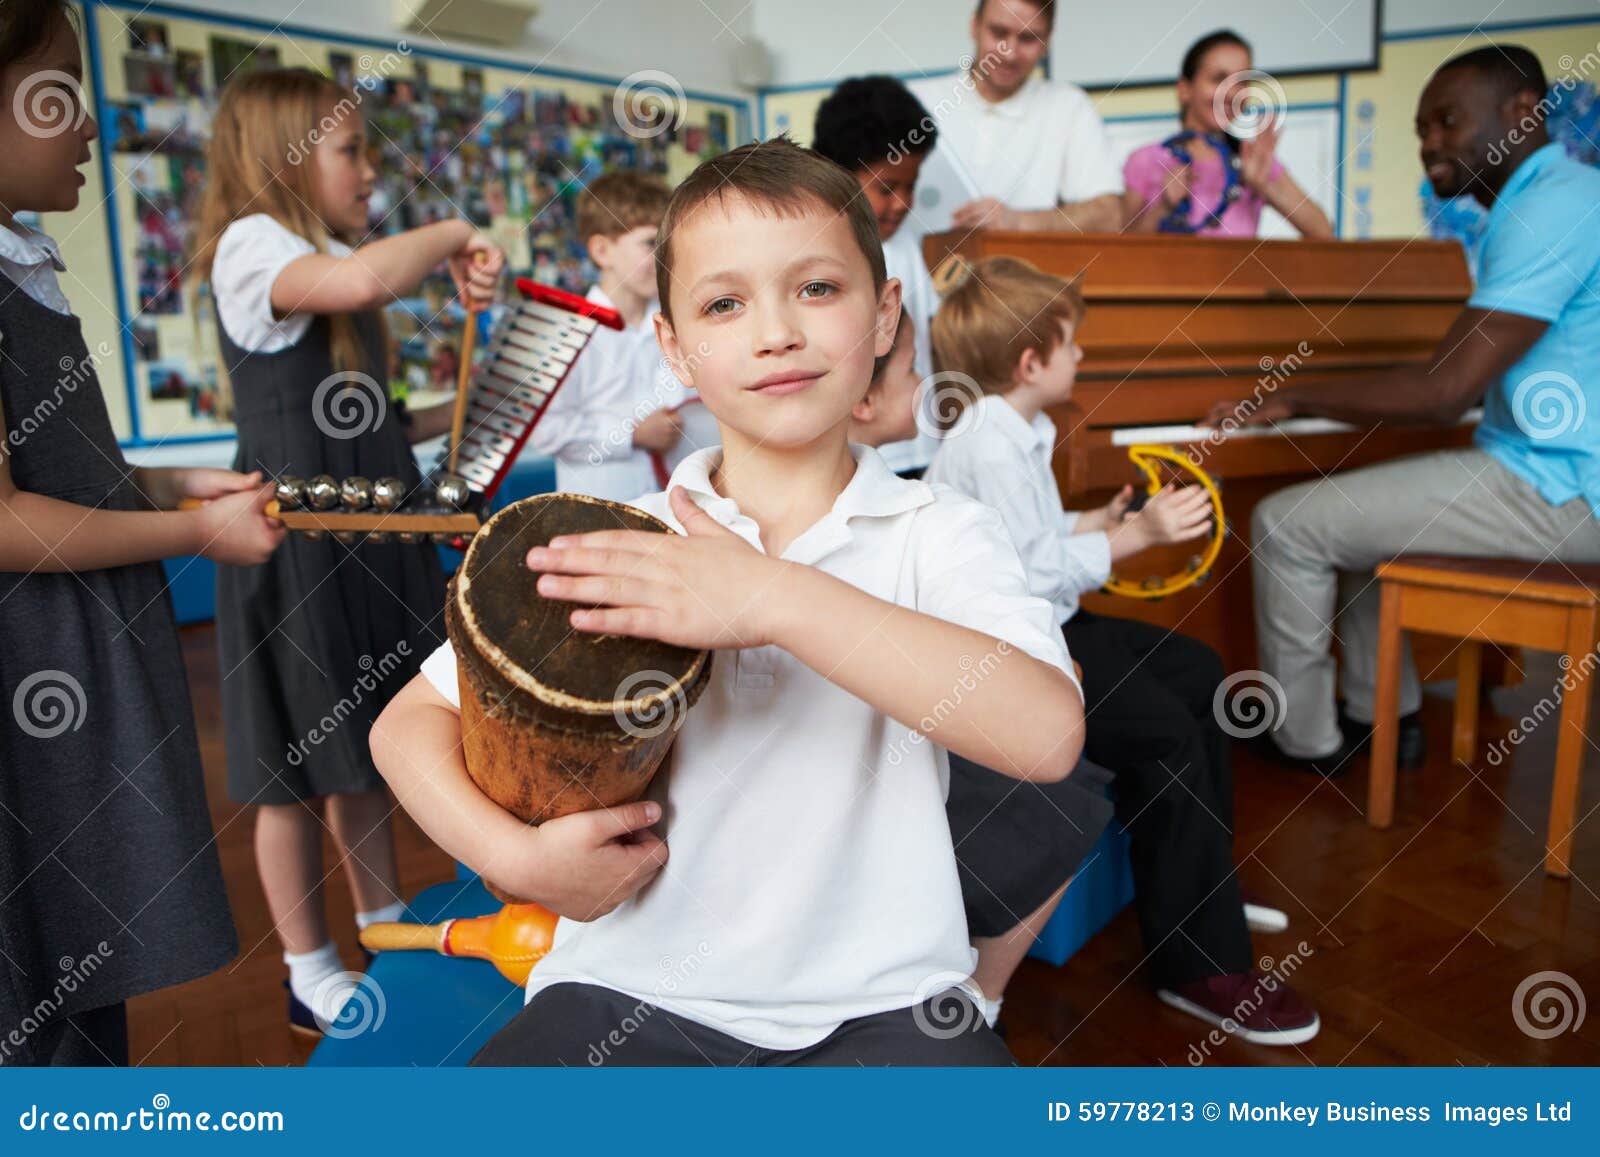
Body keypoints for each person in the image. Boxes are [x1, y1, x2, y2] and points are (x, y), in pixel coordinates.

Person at [371, 138, 1087, 1066]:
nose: (776, 330)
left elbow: (1045, 735)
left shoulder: (940, 532)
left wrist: (774, 597)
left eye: (818, 289)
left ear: (885, 315)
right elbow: (403, 725)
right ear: (673, 346)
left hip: (888, 1008)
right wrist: (517, 862)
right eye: (724, 303)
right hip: (623, 989)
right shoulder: (611, 535)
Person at [929, 255, 1319, 1044]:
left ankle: (1199, 888)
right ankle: (1197, 964)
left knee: (1202, 674)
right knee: (1165, 734)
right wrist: (1135, 537)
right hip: (1020, 647)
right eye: (1073, 346)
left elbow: (1032, 537)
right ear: (1032, 361)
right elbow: (1026, 577)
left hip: (1050, 621)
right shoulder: (988, 442)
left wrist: (1098, 522)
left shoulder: (1020, 428)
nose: (1084, 358)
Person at [192, 67, 505, 1035]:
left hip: (369, 535)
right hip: (293, 546)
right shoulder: (254, 250)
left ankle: (379, 920)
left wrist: (468, 401)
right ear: (284, 159)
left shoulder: (329, 255)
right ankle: (307, 964)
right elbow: (365, 277)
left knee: (365, 743)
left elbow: (369, 415)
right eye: (351, 150)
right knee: (289, 766)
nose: (369, 170)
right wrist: (457, 233)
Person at [0, 0, 283, 1065]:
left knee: (83, 961)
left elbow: (53, 462)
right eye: (56, 91)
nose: (87, 124)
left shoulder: (17, 263)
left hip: (70, 681)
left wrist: (169, 476)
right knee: (40, 992)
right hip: (32, 690)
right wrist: (193, 533)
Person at [1209, 46, 1600, 774]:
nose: (1429, 144)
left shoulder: (1550, 207)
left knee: (1288, 523)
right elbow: (1452, 374)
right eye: (1422, 128)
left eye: (1447, 121)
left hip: (1568, 489)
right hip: (1555, 469)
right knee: (1354, 521)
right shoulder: (1557, 196)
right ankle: (1388, 713)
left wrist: (1293, 393)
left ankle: (1306, 740)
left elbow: (1444, 390)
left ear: (1521, 114)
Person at [848, 308, 1115, 1031]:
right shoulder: (929, 493)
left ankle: (974, 993)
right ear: (867, 401)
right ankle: (978, 992)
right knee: (1065, 799)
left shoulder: (930, 508)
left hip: (923, 719)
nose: (930, 387)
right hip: (887, 756)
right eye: (911, 372)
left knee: (1066, 777)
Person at [521, 171, 684, 501]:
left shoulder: (677, 324)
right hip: (598, 513)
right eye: (651, 243)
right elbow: (547, 431)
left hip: (670, 510)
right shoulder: (569, 331)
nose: (664, 258)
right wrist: (632, 434)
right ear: (601, 251)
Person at [812, 74, 942, 473]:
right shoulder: (820, 251)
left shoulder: (907, 247)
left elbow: (934, 333)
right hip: (861, 455)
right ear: (839, 176)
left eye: (911, 186)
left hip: (922, 444)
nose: (903, 204)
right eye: (887, 188)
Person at [907, 0, 1122, 234]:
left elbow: (1109, 217)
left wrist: (1018, 222)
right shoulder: (915, 100)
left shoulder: (1069, 107)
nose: (1009, 54)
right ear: (974, 26)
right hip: (914, 267)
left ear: (1047, 41)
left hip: (1022, 269)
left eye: (1028, 38)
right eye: (998, 33)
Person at [1122, 29, 1333, 238]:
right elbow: (1121, 252)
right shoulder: (1147, 160)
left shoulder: (1254, 163)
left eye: (1242, 83)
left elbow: (1323, 233)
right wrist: (1163, 207)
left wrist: (1266, 187)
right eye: (1218, 79)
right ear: (1184, 89)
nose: (1231, 93)